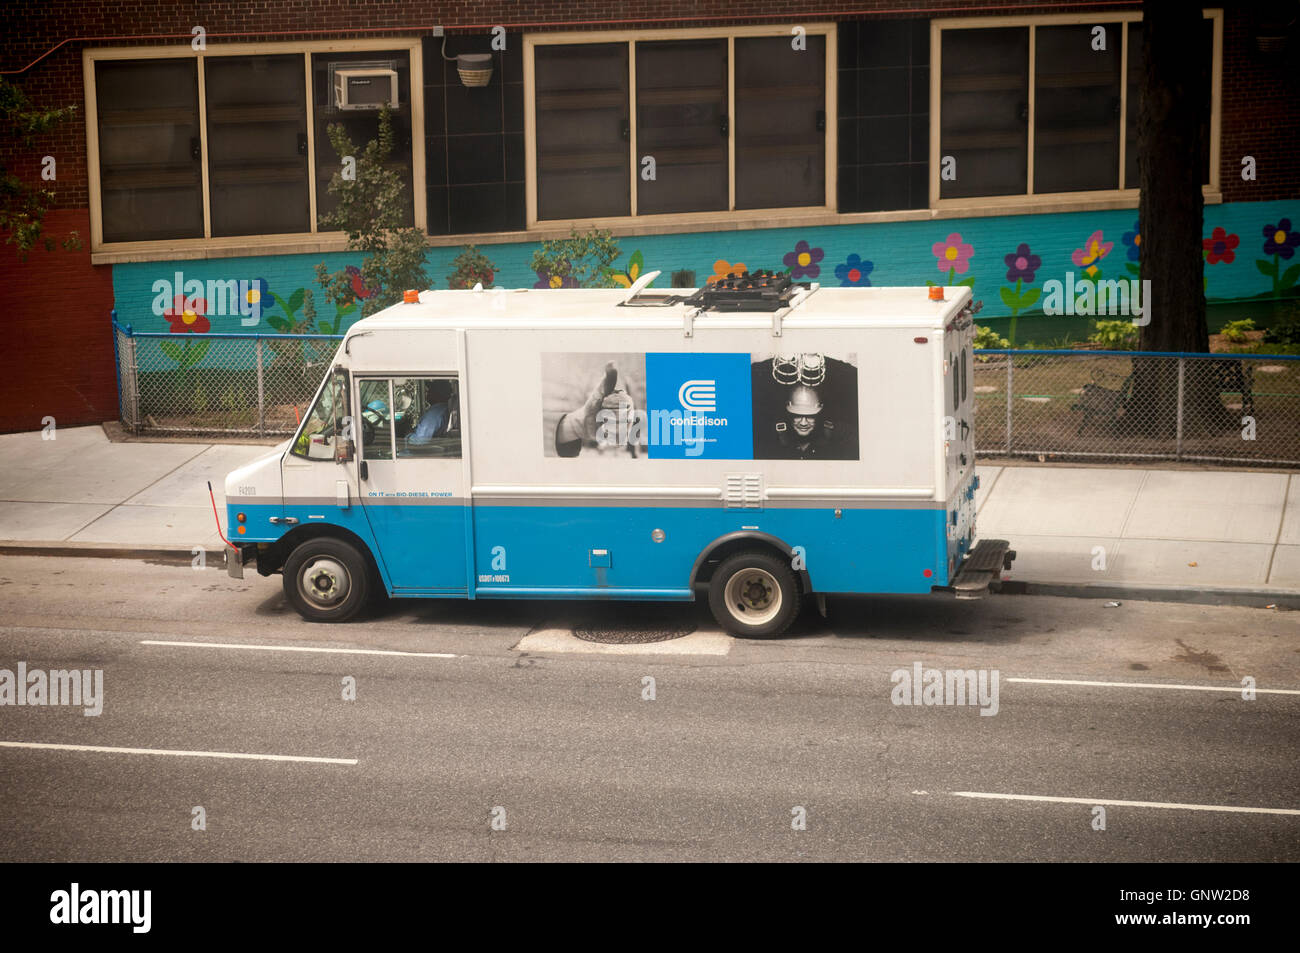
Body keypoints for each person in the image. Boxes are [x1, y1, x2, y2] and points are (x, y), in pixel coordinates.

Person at [772, 384, 839, 459]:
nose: (803, 423)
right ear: (789, 413)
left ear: (819, 413)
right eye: (797, 415)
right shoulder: (773, 437)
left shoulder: (837, 436)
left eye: (810, 416)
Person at [407, 382, 459, 446]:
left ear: (438, 394)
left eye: (430, 391)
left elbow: (419, 440)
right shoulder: (443, 409)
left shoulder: (434, 414)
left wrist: (406, 434)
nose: (427, 393)